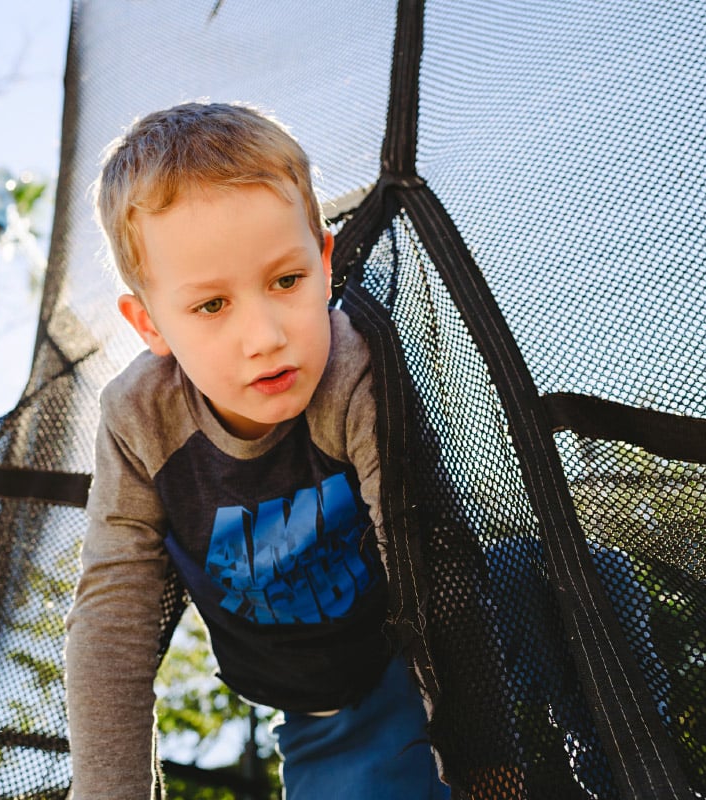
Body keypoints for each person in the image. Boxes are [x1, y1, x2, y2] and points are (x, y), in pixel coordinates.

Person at [64, 102, 449, 799]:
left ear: (324, 264)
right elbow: (113, 616)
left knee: (595, 588)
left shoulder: (355, 368)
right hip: (326, 711)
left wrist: (485, 767)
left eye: (286, 281)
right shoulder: (141, 418)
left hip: (427, 641)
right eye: (212, 306)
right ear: (149, 323)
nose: (265, 335)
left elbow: (432, 560)